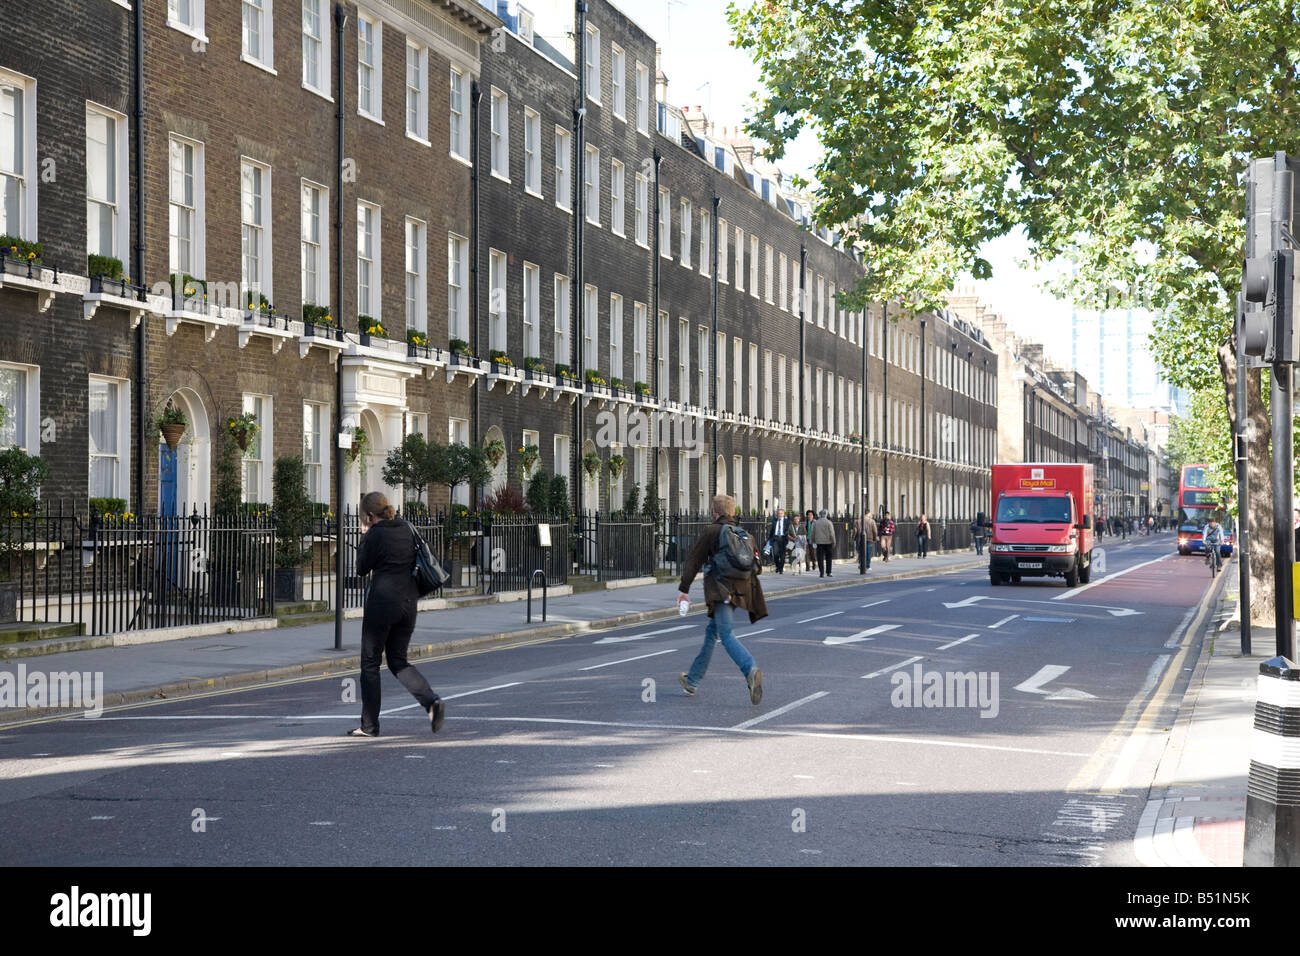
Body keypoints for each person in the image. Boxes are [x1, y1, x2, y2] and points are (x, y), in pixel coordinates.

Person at [349, 491, 444, 738]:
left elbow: (360, 569)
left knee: (370, 663)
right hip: (408, 603)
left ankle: (369, 726)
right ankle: (431, 701)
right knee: (398, 661)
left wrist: (365, 536)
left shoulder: (374, 534)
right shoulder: (407, 527)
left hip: (382, 603)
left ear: (369, 515)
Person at [676, 494, 767, 703]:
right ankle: (692, 680)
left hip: (721, 590)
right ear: (733, 512)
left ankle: (750, 669)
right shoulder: (744, 534)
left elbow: (693, 560)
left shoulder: (713, 531)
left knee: (725, 634)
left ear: (715, 513)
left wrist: (684, 590)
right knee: (712, 633)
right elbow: (757, 565)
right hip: (741, 590)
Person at [810, 508, 835, 577]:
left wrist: (812, 541)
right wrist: (833, 541)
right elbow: (832, 533)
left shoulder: (815, 523)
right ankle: (829, 572)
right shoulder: (829, 522)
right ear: (826, 514)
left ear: (820, 515)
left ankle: (821, 572)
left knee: (820, 558)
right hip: (828, 542)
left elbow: (812, 533)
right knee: (828, 557)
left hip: (819, 542)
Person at [769, 507, 790, 574]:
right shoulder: (774, 521)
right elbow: (772, 530)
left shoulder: (787, 521)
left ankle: (780, 569)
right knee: (775, 554)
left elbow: (789, 530)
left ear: (783, 514)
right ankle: (778, 566)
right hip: (775, 538)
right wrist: (769, 539)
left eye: (781, 513)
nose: (780, 515)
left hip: (783, 538)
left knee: (782, 555)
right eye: (779, 513)